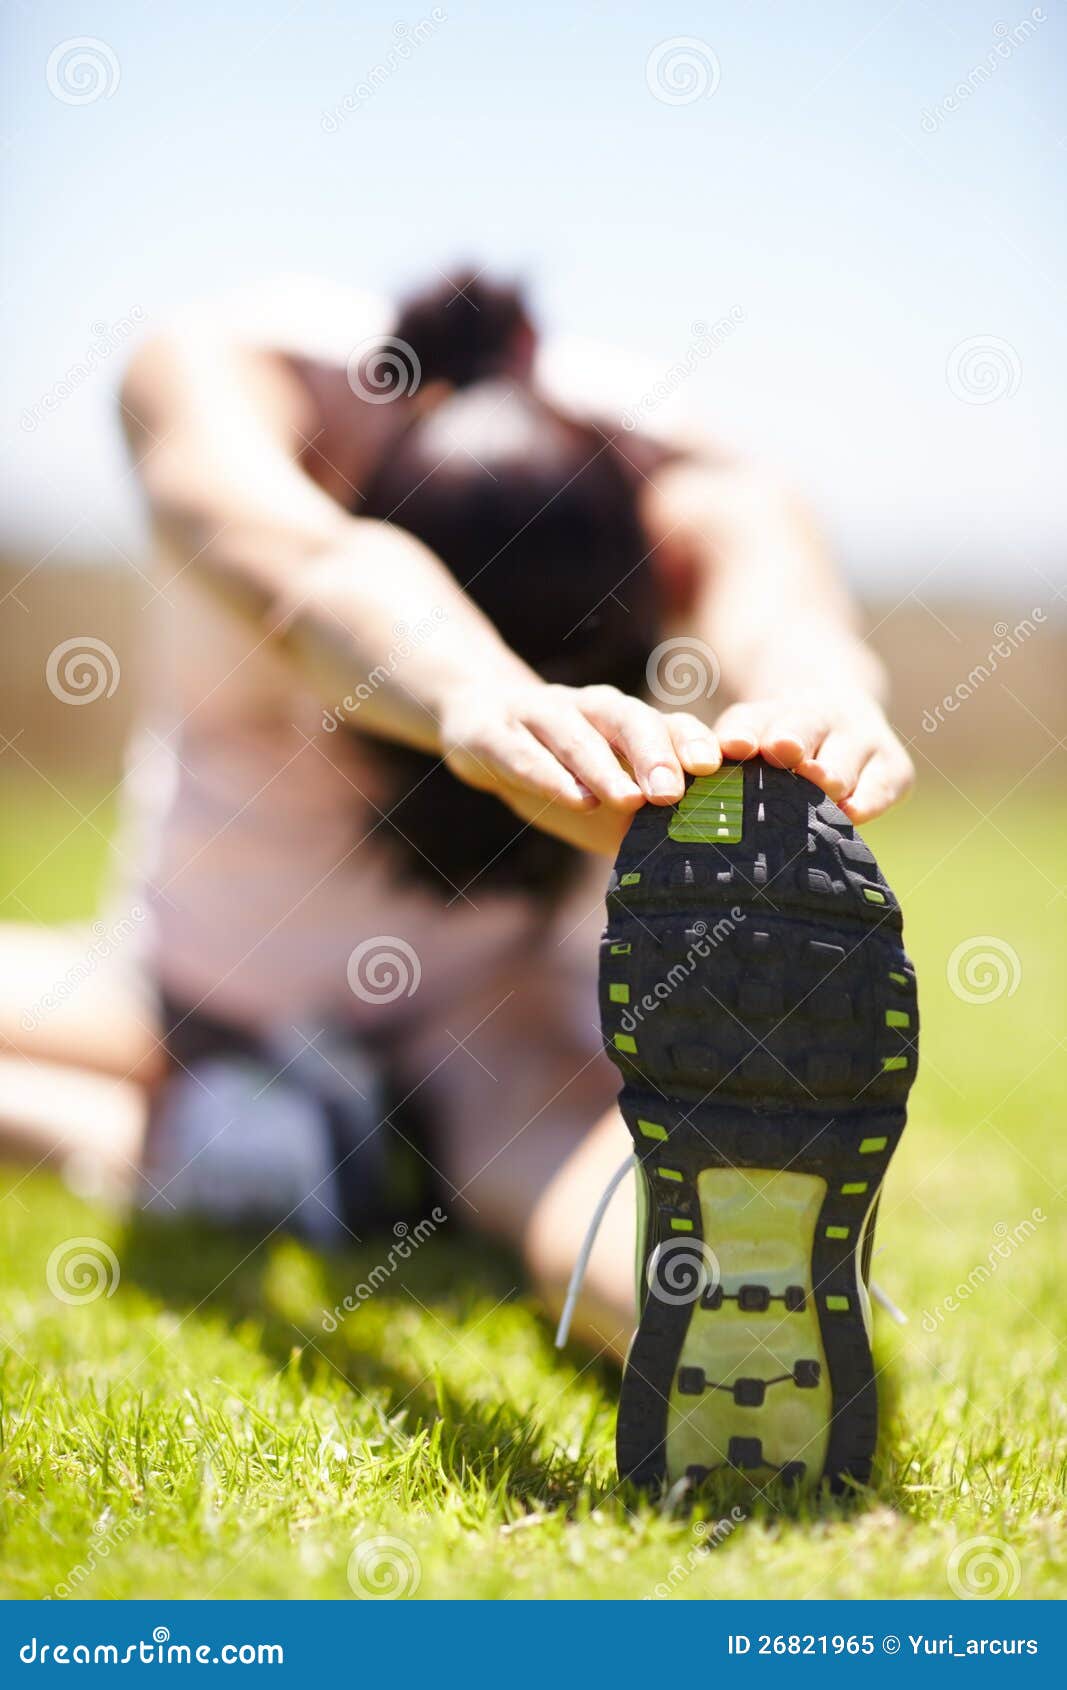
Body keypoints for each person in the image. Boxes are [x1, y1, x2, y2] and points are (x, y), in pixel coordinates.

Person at [0, 268, 913, 1365]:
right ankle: (241, 1140)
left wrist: (814, 704)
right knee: (562, 1129)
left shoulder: (675, 464)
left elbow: (776, 595)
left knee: (568, 1126)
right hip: (216, 992)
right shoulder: (234, 368)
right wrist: (478, 693)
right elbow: (310, 558)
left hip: (367, 994)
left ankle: (721, 1305)